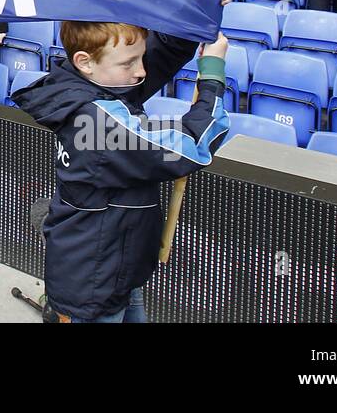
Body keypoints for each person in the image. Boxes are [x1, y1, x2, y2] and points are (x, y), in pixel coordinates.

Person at [13, 19, 231, 322]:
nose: (141, 72)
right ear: (85, 62)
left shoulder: (84, 84)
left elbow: (161, 52)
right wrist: (212, 73)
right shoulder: (99, 121)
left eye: (140, 59)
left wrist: (201, 1)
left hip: (117, 264)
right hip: (96, 283)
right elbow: (193, 145)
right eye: (129, 63)